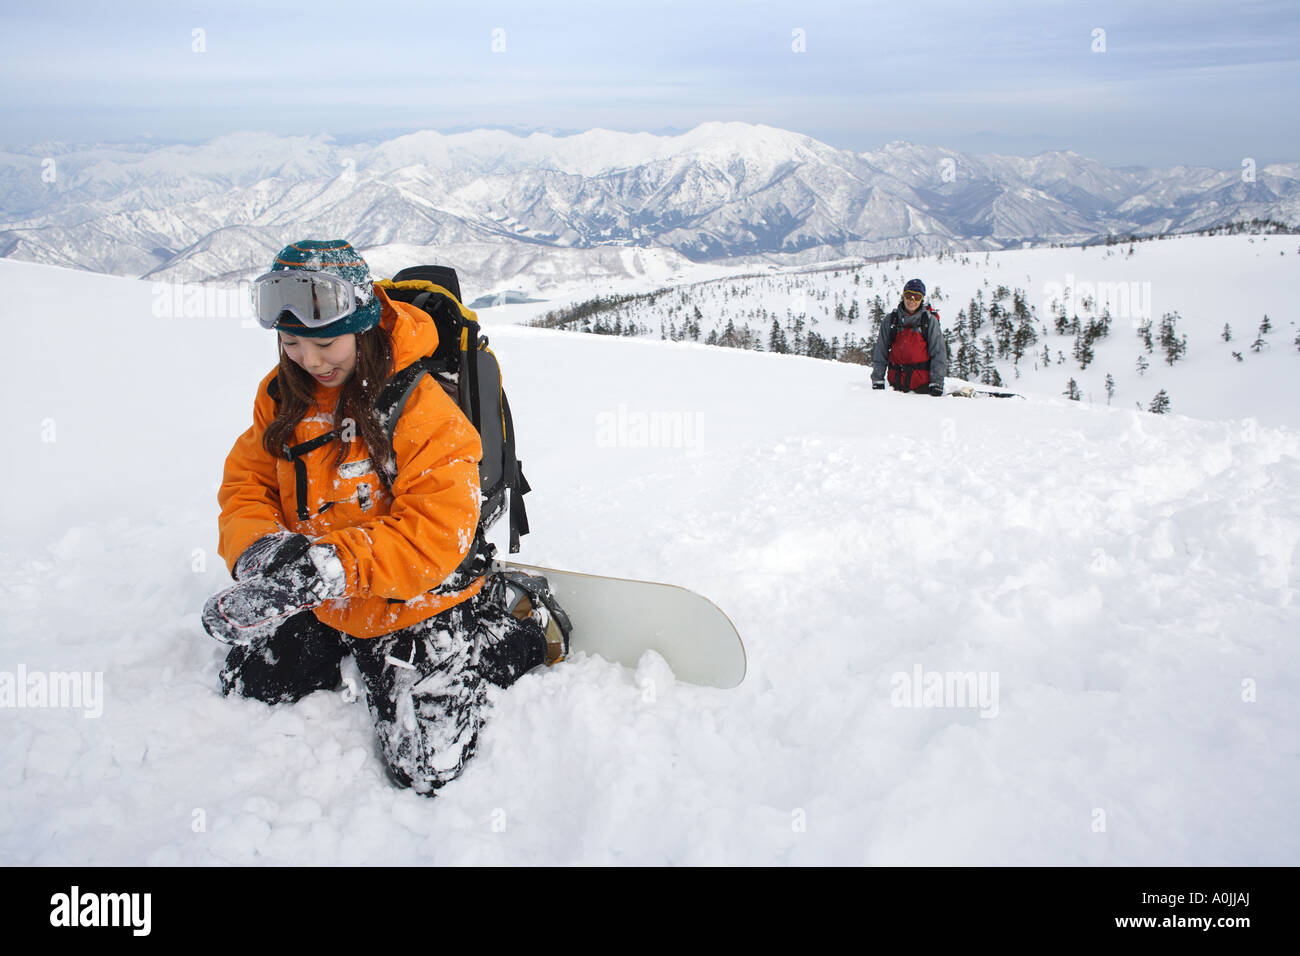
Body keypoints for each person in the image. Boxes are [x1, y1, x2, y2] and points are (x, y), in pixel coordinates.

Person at [212, 239, 556, 796]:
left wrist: (325, 567)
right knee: (247, 683)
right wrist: (260, 550)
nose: (310, 359)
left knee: (424, 769)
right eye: (292, 341)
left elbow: (436, 530)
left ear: (363, 326)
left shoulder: (420, 407)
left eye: (326, 342)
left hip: (416, 596)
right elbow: (247, 480)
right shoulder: (282, 396)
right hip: (328, 597)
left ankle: (516, 628)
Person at [871, 278, 947, 395]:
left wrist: (936, 383)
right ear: (903, 296)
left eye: (917, 297)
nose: (912, 300)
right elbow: (881, 350)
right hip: (895, 388)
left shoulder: (929, 321)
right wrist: (878, 378)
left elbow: (938, 353)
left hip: (922, 389)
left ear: (922, 299)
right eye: (909, 295)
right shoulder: (891, 320)